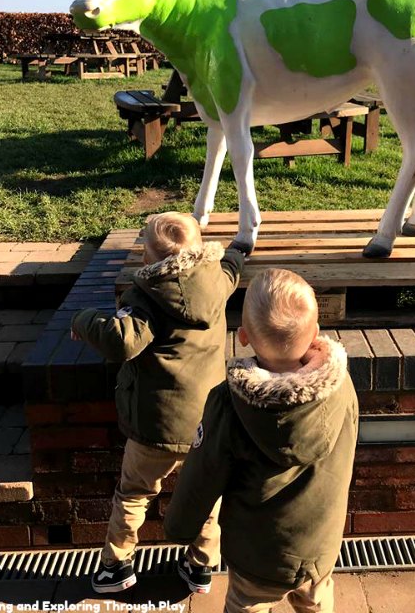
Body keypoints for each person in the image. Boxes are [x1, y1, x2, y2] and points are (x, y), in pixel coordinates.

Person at [164, 267, 359, 613]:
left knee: (246, 604)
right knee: (316, 600)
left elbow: (202, 473)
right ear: (315, 333)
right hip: (319, 544)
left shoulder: (229, 403)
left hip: (257, 553)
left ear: (242, 336)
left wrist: (180, 527)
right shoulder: (340, 386)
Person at [70, 212, 245, 595]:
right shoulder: (217, 281)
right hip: (206, 422)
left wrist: (83, 320)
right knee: (205, 493)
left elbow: (123, 342)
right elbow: (233, 264)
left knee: (134, 492)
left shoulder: (147, 294)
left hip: (157, 425)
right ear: (199, 248)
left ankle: (116, 565)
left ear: (149, 260)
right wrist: (240, 246)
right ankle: (201, 566)